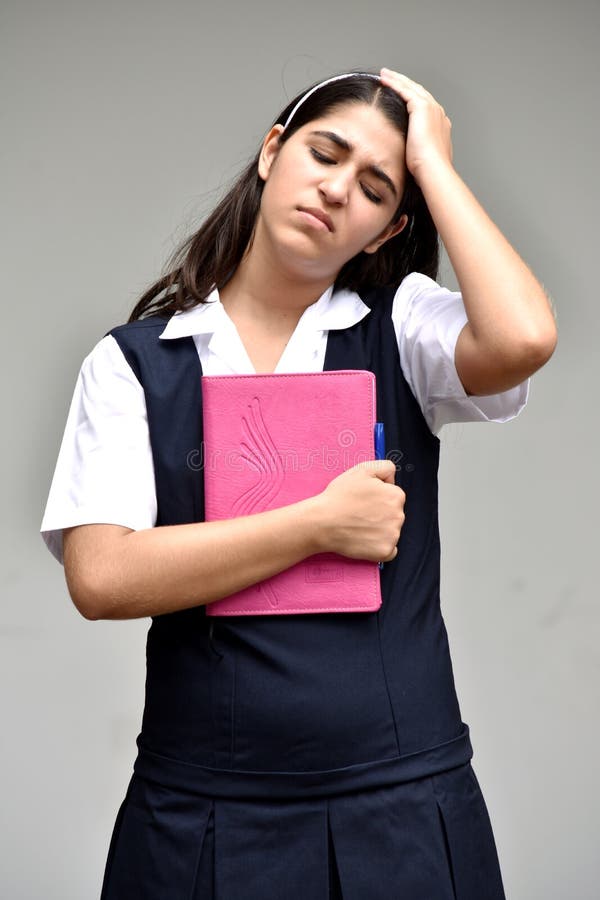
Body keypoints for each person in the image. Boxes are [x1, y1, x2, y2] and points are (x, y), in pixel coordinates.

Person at [41, 68, 557, 899]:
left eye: (376, 189)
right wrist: (317, 524)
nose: (338, 190)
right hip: (200, 814)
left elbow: (526, 336)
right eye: (325, 153)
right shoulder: (135, 362)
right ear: (272, 151)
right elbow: (100, 577)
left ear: (389, 229)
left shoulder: (404, 328)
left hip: (401, 807)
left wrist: (435, 165)